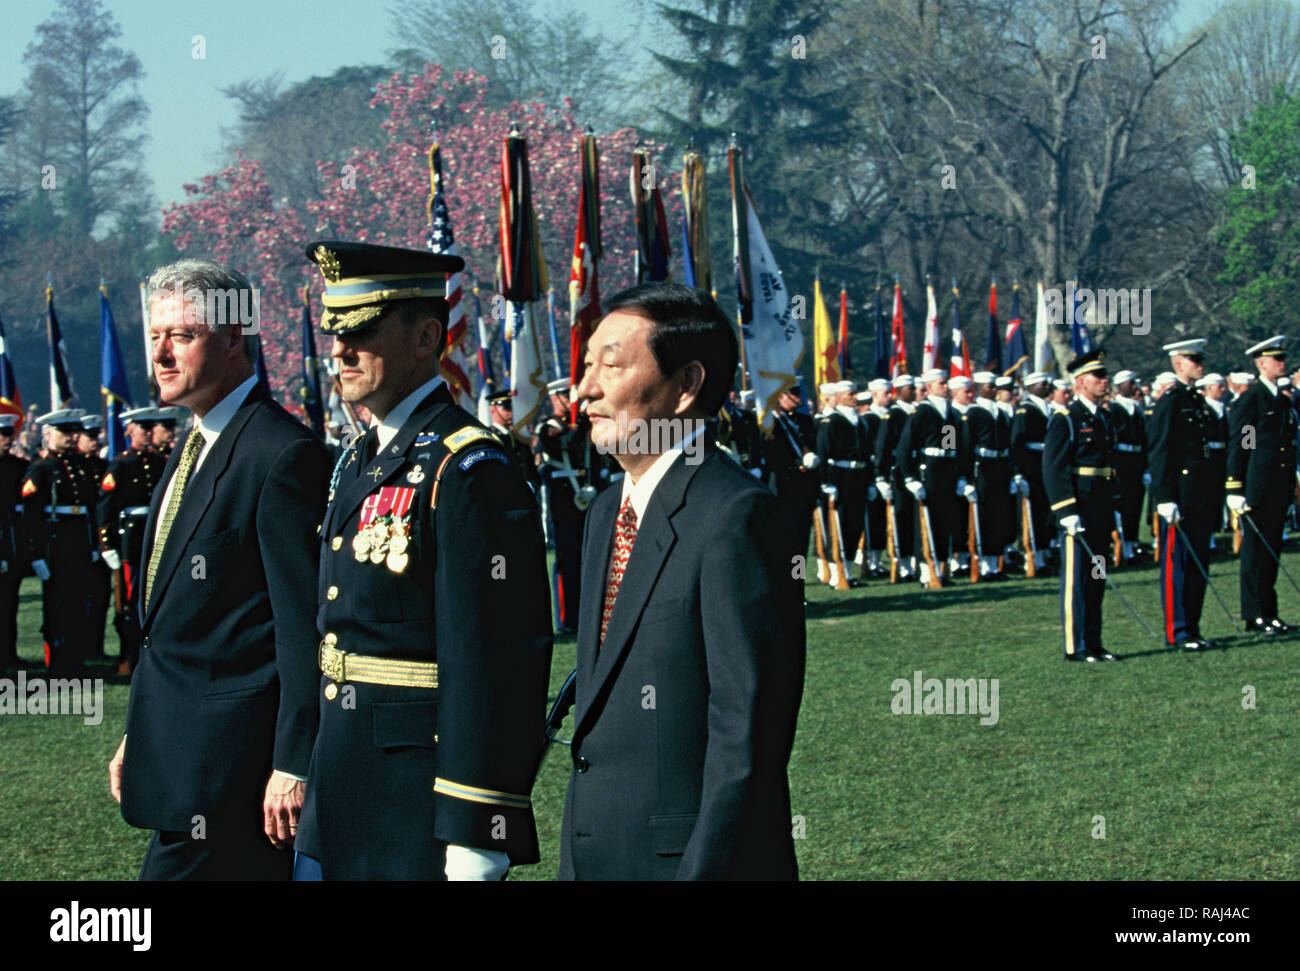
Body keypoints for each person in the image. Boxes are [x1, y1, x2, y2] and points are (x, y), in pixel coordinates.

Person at [294, 240, 552, 880]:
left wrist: (477, 824)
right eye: (335, 334)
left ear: (425, 336)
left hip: (419, 796)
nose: (340, 351)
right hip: (345, 776)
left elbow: (497, 656)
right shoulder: (359, 457)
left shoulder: (466, 464)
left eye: (362, 332)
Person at [560, 282, 804, 880]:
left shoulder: (736, 515)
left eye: (609, 365)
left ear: (686, 385)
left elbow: (745, 737)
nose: (583, 388)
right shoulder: (604, 512)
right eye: (586, 364)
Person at [109, 258, 331, 880]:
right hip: (180, 758)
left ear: (235, 338)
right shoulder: (196, 441)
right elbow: (172, 623)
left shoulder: (280, 453)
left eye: (182, 336)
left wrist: (294, 762)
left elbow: (300, 626)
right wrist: (141, 733)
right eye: (155, 336)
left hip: (237, 779)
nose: (161, 354)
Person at [1042, 349, 1120, 661]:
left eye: (1105, 376)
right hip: (1079, 507)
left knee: (1097, 576)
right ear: (1080, 382)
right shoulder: (1066, 418)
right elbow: (1054, 468)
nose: (1105, 381)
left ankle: (1095, 641)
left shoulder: (1103, 417)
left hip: (1100, 504)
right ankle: (1076, 646)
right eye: (1098, 377)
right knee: (1076, 579)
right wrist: (1066, 510)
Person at [1226, 336, 1298, 635]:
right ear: (1261, 364)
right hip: (1257, 486)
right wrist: (1236, 487)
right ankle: (1254, 613)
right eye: (1276, 359)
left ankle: (1270, 612)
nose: (1282, 363)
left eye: (1283, 358)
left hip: (1278, 486)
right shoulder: (1252, 399)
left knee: (1271, 552)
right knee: (1255, 553)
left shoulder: (1282, 400)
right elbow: (1243, 444)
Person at [1147, 340, 1216, 651]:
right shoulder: (1170, 402)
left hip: (1199, 493)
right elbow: (1160, 453)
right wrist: (1164, 497)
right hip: (1179, 494)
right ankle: (1177, 631)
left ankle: (1193, 626)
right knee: (1178, 565)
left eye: (1200, 359)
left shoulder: (1196, 400)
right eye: (1193, 359)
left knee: (1198, 562)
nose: (1199, 364)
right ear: (1178, 364)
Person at [21, 409, 100, 676]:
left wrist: (94, 546)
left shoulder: (82, 465)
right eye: (64, 433)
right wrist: (36, 555)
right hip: (55, 544)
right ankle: (57, 663)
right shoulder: (40, 469)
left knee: (79, 603)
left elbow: (91, 507)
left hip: (79, 541)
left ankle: (76, 659)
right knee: (57, 605)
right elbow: (30, 516)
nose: (70, 437)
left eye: (72, 432)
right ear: (48, 434)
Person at [97, 407, 170, 675]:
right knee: (128, 600)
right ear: (129, 431)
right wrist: (107, 545)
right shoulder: (121, 464)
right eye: (143, 428)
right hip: (130, 537)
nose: (149, 432)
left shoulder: (160, 460)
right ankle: (129, 657)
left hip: (155, 535)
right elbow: (105, 507)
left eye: (151, 427)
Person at [538, 378, 594, 635]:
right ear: (553, 399)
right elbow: (566, 443)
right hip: (562, 497)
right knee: (567, 558)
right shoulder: (547, 427)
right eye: (564, 396)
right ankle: (567, 618)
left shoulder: (580, 423)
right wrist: (580, 421)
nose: (570, 401)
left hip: (584, 491)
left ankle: (588, 612)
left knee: (589, 555)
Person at [897, 369, 958, 587]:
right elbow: (906, 446)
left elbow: (951, 445)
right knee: (925, 521)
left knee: (944, 520)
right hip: (928, 470)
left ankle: (940, 569)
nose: (946, 387)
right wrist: (910, 478)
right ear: (930, 387)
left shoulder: (949, 413)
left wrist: (957, 474)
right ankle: (925, 571)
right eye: (942, 383)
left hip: (946, 471)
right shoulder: (922, 412)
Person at [816, 380, 874, 585]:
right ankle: (835, 572)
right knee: (837, 525)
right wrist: (825, 481)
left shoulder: (861, 422)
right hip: (839, 476)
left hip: (859, 476)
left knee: (854, 524)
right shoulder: (831, 421)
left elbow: (868, 454)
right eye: (850, 394)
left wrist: (871, 482)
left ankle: (847, 571)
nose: (855, 397)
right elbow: (822, 453)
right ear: (839, 396)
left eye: (855, 393)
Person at [762, 383, 820, 569]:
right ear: (780, 397)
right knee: (783, 542)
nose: (799, 396)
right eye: (793, 393)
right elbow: (772, 456)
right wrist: (799, 463)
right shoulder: (768, 423)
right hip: (782, 489)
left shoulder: (804, 420)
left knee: (801, 541)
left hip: (805, 490)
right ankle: (783, 588)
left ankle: (798, 588)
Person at [875, 375, 919, 581]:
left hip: (922, 470)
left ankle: (920, 560)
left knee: (918, 517)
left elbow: (949, 441)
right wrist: (881, 476)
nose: (916, 392)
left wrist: (949, 454)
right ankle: (902, 563)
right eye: (911, 389)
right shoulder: (893, 415)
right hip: (899, 472)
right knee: (901, 517)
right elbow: (883, 447)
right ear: (900, 391)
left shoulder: (921, 412)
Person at [1011, 372, 1055, 574]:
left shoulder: (1048, 408)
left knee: (1046, 512)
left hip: (1046, 464)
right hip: (1032, 467)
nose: (1048, 386)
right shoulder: (1024, 410)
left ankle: (1045, 554)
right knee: (1034, 513)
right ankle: (1033, 556)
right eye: (1043, 384)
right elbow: (1017, 444)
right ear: (1031, 387)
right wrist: (1020, 472)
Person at [1107, 370, 1147, 564]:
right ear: (1120, 386)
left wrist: (1145, 467)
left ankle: (1132, 544)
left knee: (1135, 503)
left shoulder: (1137, 408)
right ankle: (1120, 546)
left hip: (1136, 460)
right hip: (1121, 460)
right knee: (1121, 505)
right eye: (1130, 383)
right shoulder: (1113, 409)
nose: (1134, 387)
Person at [0, 414, 28, 672]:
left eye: (10, 434)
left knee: (9, 604)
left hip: (11, 543)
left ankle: (9, 654)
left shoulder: (18, 467)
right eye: (3, 435)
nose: (8, 440)